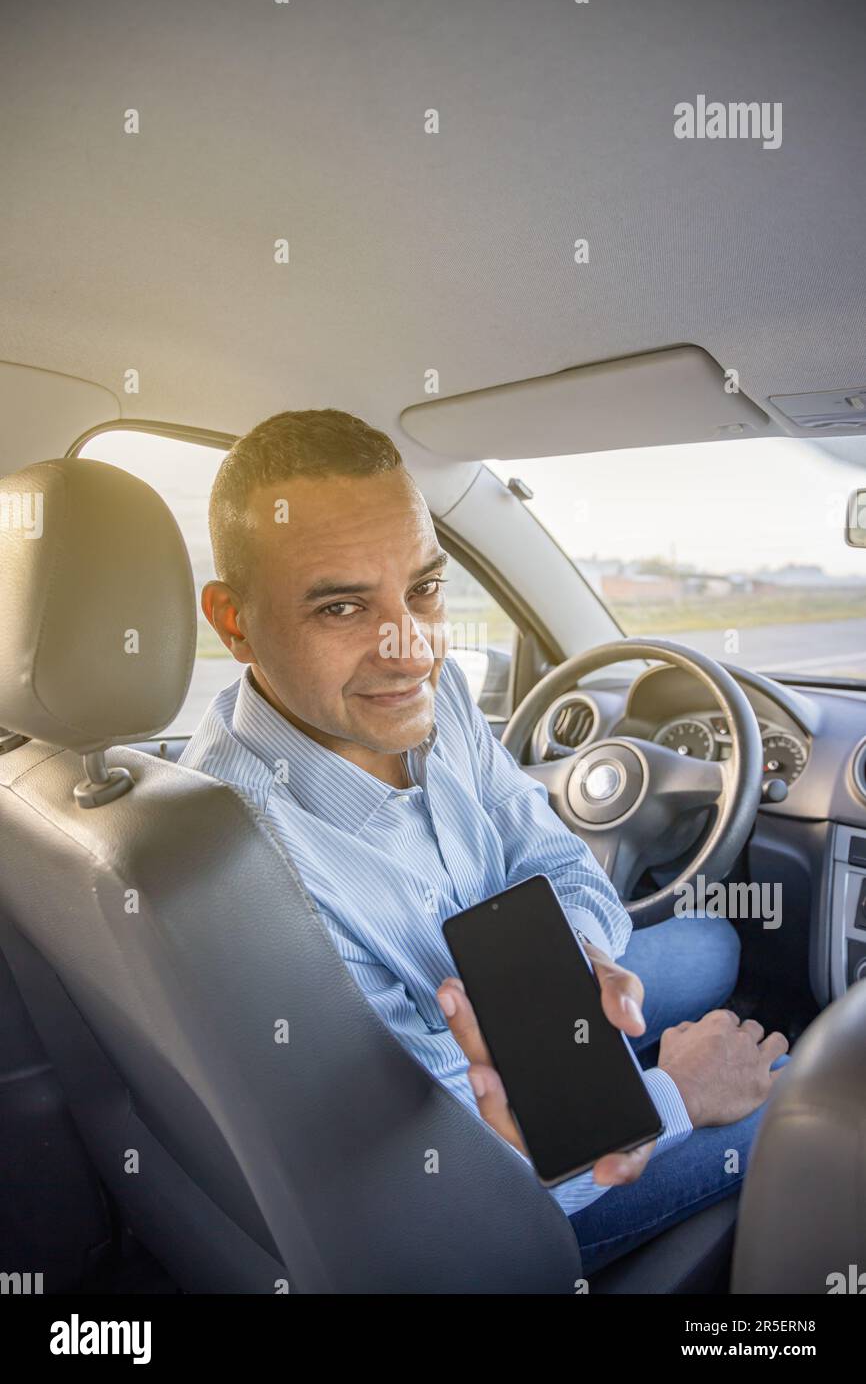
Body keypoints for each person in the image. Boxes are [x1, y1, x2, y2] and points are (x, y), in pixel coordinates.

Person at [180, 408, 789, 1275]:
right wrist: (681, 1093)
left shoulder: (437, 693)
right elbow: (446, 1178)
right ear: (233, 620)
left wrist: (569, 968)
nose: (412, 650)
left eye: (424, 590)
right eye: (343, 606)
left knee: (716, 941)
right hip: (489, 1198)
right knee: (794, 1095)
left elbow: (551, 857)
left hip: (521, 1028)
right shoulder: (246, 870)